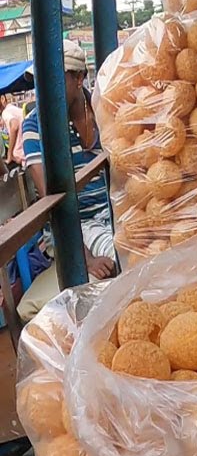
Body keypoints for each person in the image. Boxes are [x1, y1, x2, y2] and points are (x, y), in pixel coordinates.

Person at [17, 40, 116, 323]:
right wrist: (85, 259)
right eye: (40, 84)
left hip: (113, 212)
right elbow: (56, 203)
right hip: (77, 226)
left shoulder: (104, 111)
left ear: (79, 78)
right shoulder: (35, 125)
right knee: (124, 256)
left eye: (54, 80)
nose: (44, 92)